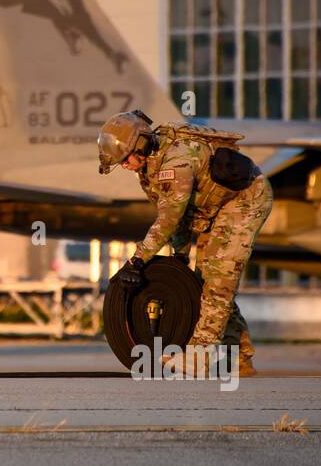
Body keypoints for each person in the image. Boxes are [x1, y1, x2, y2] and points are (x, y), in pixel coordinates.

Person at [97, 110, 272, 376]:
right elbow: (176, 216)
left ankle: (200, 357)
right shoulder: (149, 167)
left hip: (245, 202)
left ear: (141, 145)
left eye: (125, 158)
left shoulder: (176, 161)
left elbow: (169, 218)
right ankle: (237, 359)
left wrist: (137, 260)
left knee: (218, 282)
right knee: (204, 283)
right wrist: (180, 257)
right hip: (214, 209)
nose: (125, 165)